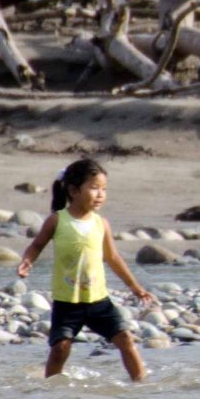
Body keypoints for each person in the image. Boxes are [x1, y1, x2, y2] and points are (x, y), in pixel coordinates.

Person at [17, 158, 154, 382]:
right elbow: (36, 245)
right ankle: (50, 388)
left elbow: (113, 257)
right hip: (67, 302)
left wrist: (135, 287)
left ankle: (141, 384)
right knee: (61, 348)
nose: (100, 194)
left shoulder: (101, 223)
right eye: (94, 188)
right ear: (73, 190)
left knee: (126, 340)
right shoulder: (57, 220)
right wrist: (27, 261)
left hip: (99, 301)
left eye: (104, 189)